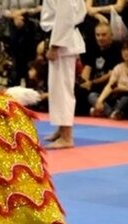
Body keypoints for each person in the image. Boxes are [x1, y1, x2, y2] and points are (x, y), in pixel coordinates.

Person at [40, 0, 87, 150]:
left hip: (63, 43)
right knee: (57, 90)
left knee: (62, 90)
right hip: (62, 38)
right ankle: (62, 129)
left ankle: (67, 136)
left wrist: (55, 46)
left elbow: (65, 16)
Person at [90, 39, 128, 120]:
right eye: (123, 50)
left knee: (126, 98)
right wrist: (100, 100)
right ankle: (112, 113)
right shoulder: (118, 68)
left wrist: (123, 88)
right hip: (116, 98)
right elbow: (111, 86)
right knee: (92, 96)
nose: (126, 52)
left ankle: (104, 112)